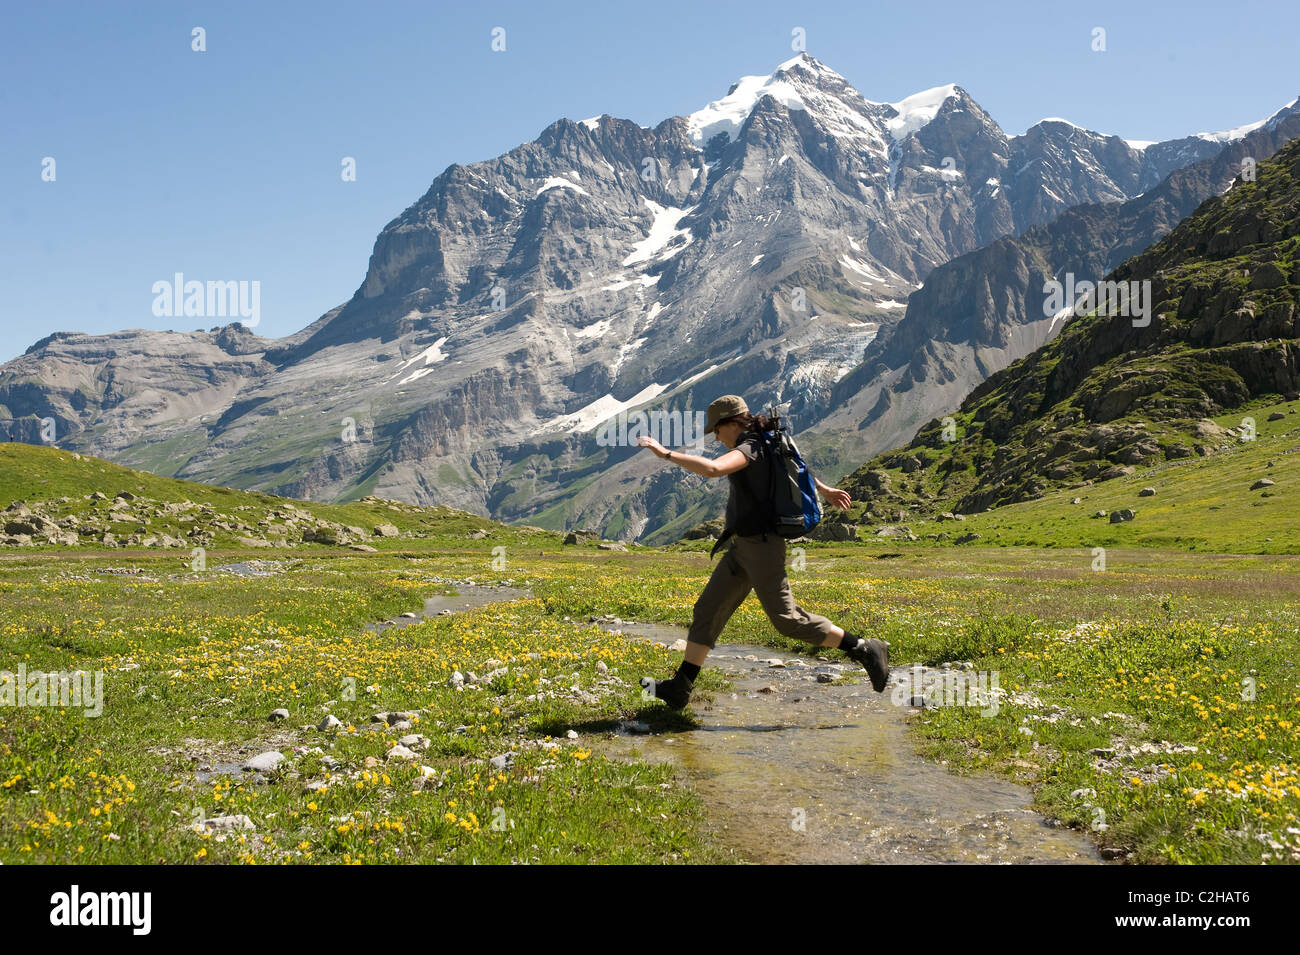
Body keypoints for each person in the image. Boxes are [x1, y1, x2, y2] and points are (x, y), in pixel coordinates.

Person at [636, 394, 890, 710]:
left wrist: (665, 453)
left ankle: (865, 648)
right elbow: (795, 468)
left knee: (787, 620)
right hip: (742, 546)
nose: (716, 437)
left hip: (762, 547)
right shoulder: (770, 440)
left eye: (716, 430)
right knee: (707, 610)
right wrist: (823, 490)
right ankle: (680, 687)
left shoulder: (750, 448)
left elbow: (714, 469)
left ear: (730, 424)